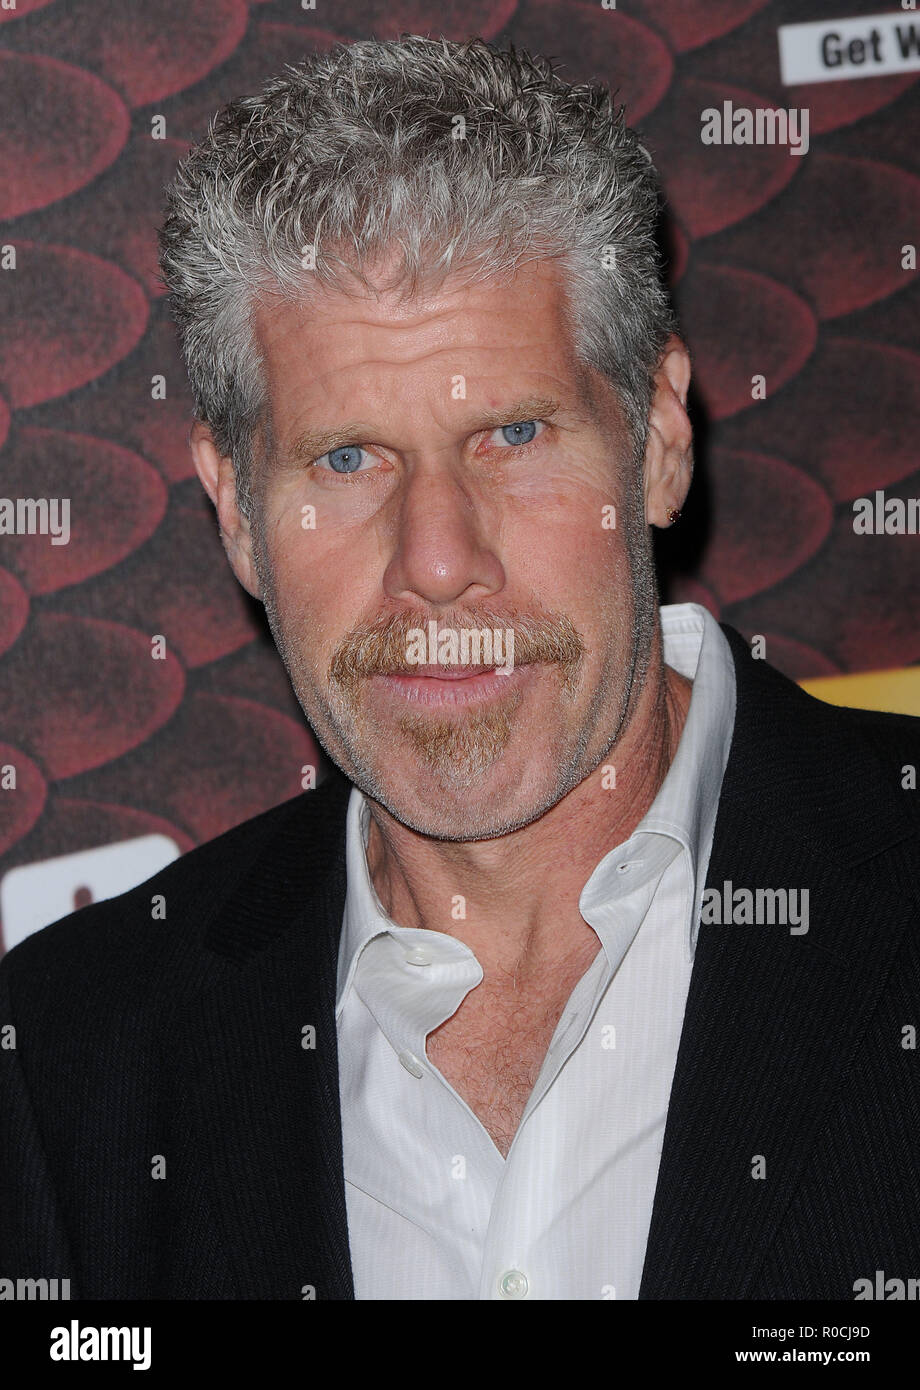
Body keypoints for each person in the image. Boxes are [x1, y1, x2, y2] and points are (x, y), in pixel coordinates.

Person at [2, 35, 918, 1302]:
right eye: (344, 460)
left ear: (653, 439)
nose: (436, 562)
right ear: (234, 513)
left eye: (512, 433)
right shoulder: (63, 1065)